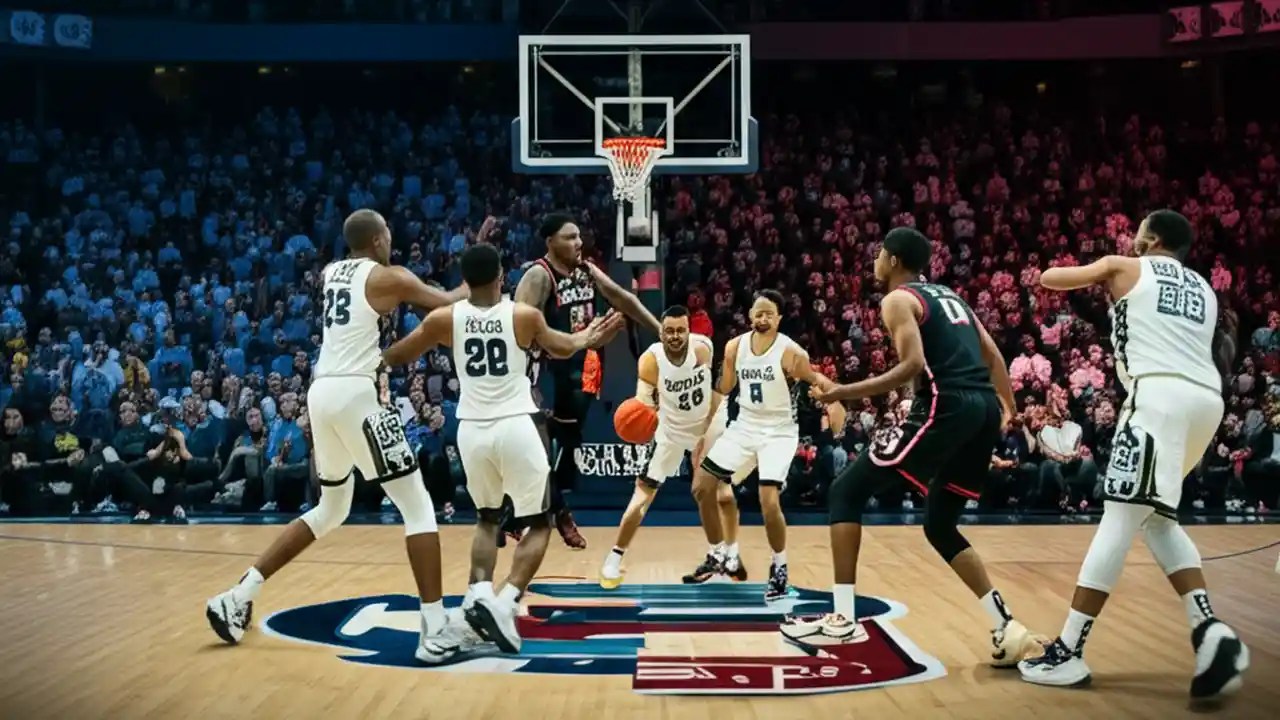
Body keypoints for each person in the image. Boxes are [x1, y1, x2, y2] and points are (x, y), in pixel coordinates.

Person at [204, 209, 470, 664]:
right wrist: (477, 270)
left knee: (331, 508)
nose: (392, 240)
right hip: (357, 394)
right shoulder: (387, 276)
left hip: (321, 392)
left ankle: (236, 595)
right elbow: (446, 301)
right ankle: (434, 630)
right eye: (388, 234)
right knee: (417, 504)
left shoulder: (332, 273)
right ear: (377, 238)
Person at [1019, 210, 1250, 699]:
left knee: (1119, 517)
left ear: (1154, 238)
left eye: (1139, 232)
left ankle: (1069, 649)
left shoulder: (1128, 265)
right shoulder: (1205, 290)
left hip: (1157, 400)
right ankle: (1209, 628)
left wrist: (1102, 266)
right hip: (1204, 405)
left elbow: (1050, 279)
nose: (1132, 238)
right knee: (1157, 518)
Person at [783, 227, 1036, 669]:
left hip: (946, 402)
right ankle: (1006, 625)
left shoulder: (898, 300)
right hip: (980, 409)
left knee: (845, 491)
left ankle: (843, 618)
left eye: (879, 254)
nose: (875, 261)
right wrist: (1008, 409)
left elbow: (913, 365)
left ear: (894, 260)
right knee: (940, 525)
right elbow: (994, 357)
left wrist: (844, 392)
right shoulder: (951, 297)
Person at [382, 243, 622, 652]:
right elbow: (563, 346)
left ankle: (477, 595)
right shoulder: (522, 316)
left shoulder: (446, 318)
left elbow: (395, 355)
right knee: (541, 522)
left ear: (466, 282)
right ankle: (506, 599)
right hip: (516, 424)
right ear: (501, 278)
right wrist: (588, 337)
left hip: (472, 430)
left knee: (488, 518)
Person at [510, 213, 663, 550]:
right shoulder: (538, 277)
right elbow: (519, 332)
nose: (578, 243)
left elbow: (624, 299)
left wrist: (659, 329)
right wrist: (572, 342)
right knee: (535, 452)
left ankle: (513, 516)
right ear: (550, 242)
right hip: (541, 372)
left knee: (566, 448)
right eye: (569, 237)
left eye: (579, 236)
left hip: (581, 369)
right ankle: (560, 515)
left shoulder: (586, 270)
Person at [688, 289, 839, 601]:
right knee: (702, 487)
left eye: (769, 313)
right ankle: (718, 554)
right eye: (758, 312)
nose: (763, 317)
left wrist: (832, 402)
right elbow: (724, 389)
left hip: (778, 431)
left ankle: (779, 567)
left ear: (779, 318)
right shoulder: (734, 347)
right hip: (744, 426)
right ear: (750, 316)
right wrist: (705, 430)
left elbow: (816, 382)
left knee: (768, 500)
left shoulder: (791, 352)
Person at [598, 307, 728, 588]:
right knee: (642, 494)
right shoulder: (650, 360)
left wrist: (704, 441)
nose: (675, 336)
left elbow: (717, 394)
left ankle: (720, 555)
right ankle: (614, 558)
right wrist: (639, 421)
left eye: (681, 330)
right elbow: (644, 405)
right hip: (670, 430)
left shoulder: (703, 349)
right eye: (669, 330)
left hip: (708, 423)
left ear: (689, 331)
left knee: (709, 490)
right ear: (661, 332)